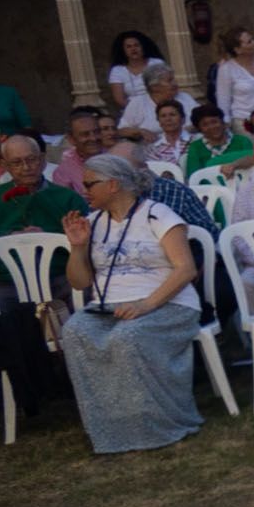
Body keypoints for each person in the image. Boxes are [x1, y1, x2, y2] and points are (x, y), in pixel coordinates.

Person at [52, 150, 204, 455]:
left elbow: (186, 269)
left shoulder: (158, 215)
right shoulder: (93, 221)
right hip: (110, 305)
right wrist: (77, 247)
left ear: (112, 185)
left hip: (166, 304)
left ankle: (157, 424)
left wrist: (146, 305)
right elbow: (80, 282)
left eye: (90, 183)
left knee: (127, 336)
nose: (84, 191)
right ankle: (112, 428)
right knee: (74, 332)